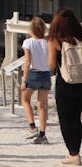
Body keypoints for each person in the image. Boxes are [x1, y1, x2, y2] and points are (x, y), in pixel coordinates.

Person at [48, 8, 82, 165]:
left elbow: (51, 65)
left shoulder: (55, 40)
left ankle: (74, 154)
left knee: (67, 119)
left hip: (66, 83)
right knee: (78, 119)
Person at [21, 16, 50, 144]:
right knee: (42, 105)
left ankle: (32, 127)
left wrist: (24, 79)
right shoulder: (48, 42)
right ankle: (43, 133)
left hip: (33, 74)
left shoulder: (28, 42)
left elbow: (27, 62)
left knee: (25, 99)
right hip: (45, 74)